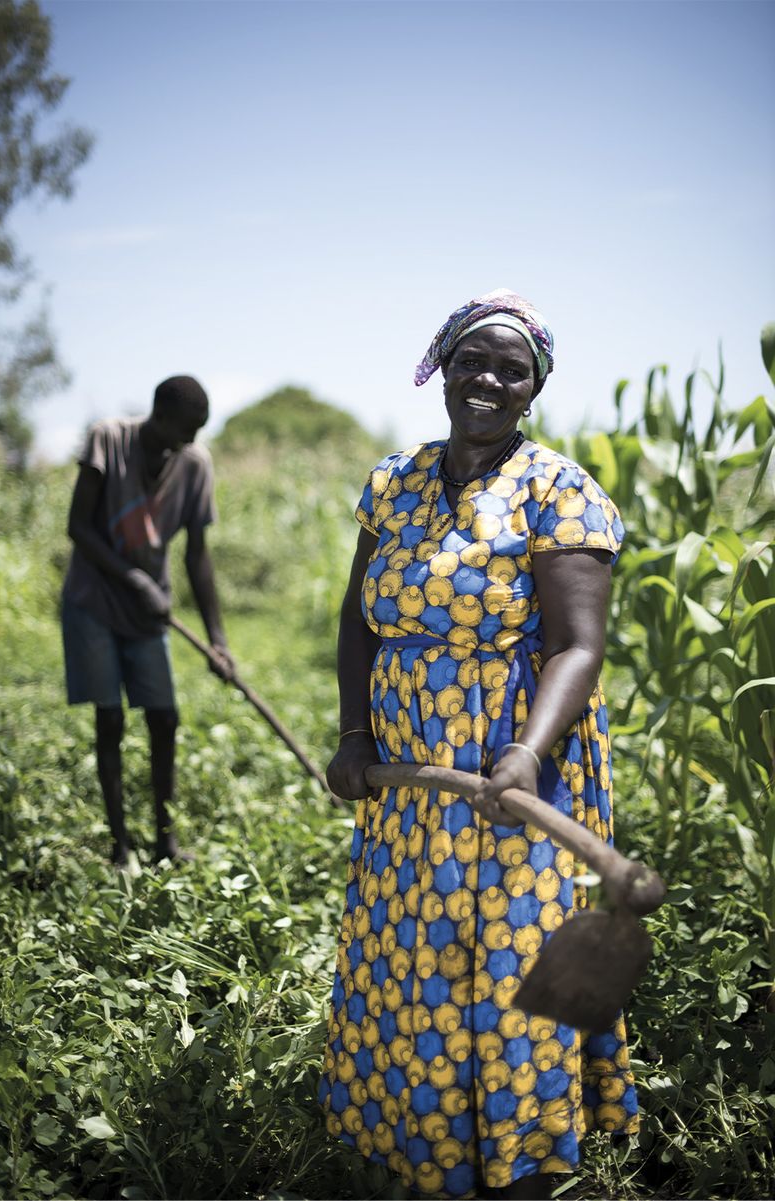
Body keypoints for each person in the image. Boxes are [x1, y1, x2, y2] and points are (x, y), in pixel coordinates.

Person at [321, 290, 639, 1200]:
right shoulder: (394, 481)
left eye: (512, 368)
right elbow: (358, 619)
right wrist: (355, 730)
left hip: (513, 770)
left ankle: (520, 1168)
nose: (489, 380)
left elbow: (578, 645)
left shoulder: (559, 490)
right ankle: (427, 1151)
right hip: (411, 785)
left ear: (534, 387)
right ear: (443, 366)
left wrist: (530, 750)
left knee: (509, 970)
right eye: (474, 361)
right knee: (412, 958)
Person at [62, 375, 234, 866]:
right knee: (110, 717)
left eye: (199, 430)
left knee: (164, 717)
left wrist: (217, 639)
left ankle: (165, 841)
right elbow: (77, 526)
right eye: (185, 429)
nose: (192, 441)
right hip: (93, 600)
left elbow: (197, 558)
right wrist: (134, 579)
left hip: (147, 613)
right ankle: (120, 845)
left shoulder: (195, 465)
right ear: (158, 416)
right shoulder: (109, 440)